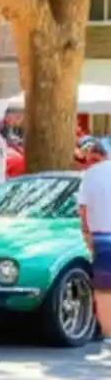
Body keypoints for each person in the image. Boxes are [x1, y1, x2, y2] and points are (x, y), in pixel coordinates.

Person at [78, 140, 111, 339]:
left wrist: (86, 233)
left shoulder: (90, 176)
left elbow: (82, 209)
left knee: (105, 289)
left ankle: (107, 332)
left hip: (101, 236)